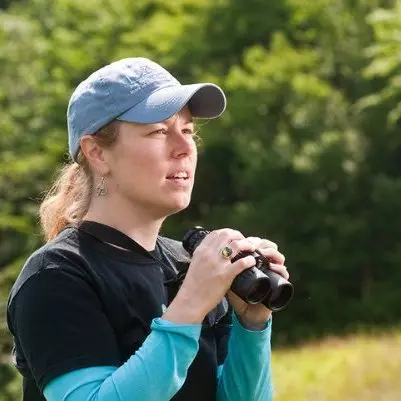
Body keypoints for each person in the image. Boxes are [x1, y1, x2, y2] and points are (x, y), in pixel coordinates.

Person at [7, 57, 289, 401]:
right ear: (97, 153)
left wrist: (253, 325)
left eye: (187, 131)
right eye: (159, 131)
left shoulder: (191, 265)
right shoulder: (57, 276)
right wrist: (189, 305)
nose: (185, 147)